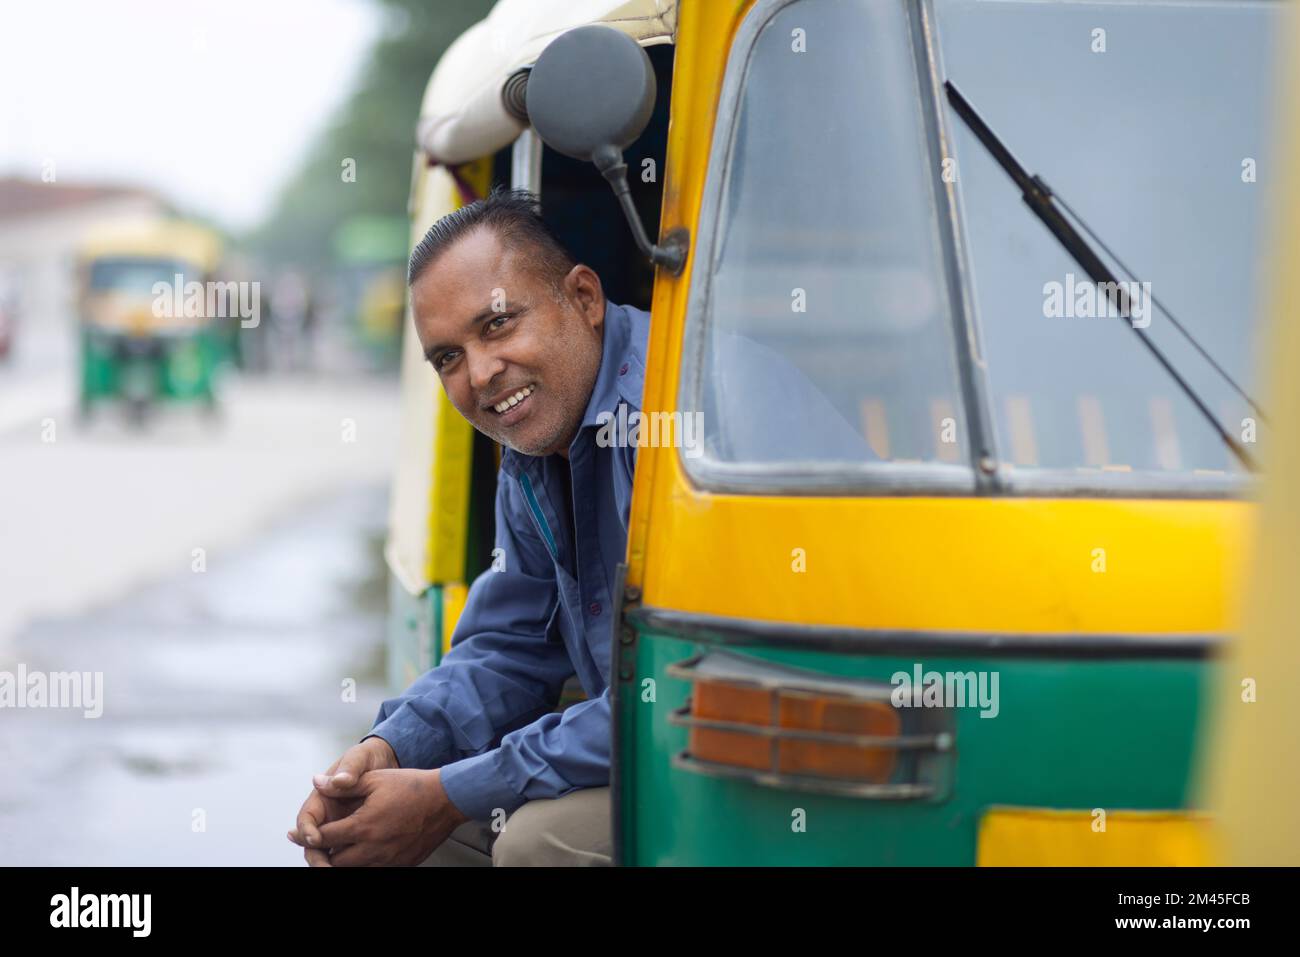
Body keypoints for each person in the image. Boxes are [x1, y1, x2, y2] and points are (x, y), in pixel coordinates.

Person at [286, 187, 870, 867]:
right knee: (388, 826)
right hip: (681, 745)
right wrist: (386, 749)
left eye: (498, 324)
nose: (479, 374)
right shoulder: (536, 450)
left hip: (819, 752)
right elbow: (508, 648)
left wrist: (451, 787)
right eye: (448, 356)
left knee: (538, 843)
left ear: (584, 299)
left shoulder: (689, 412)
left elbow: (684, 687)